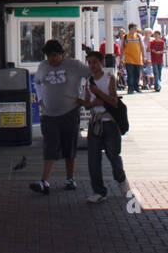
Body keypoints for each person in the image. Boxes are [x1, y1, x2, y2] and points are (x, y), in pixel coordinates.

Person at [29, 39, 89, 194]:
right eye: (49, 56)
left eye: (55, 55)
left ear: (62, 54)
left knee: (69, 147)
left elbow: (92, 76)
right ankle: (44, 181)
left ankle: (70, 178)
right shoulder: (43, 66)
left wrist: (84, 96)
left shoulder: (74, 65)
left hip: (70, 112)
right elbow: (36, 82)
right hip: (49, 115)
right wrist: (41, 99)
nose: (52, 59)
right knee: (50, 147)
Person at [82, 49, 131, 203]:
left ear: (102, 62)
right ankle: (99, 191)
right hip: (95, 121)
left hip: (109, 122)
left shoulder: (109, 78)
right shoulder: (88, 81)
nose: (92, 66)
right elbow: (87, 104)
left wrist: (98, 94)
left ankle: (122, 180)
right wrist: (91, 102)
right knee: (93, 159)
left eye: (95, 62)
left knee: (113, 155)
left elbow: (113, 101)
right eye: (89, 63)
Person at [121, 24, 144, 94]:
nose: (136, 29)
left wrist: (144, 56)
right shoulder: (125, 37)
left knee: (137, 74)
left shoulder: (138, 36)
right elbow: (122, 48)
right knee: (130, 74)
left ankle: (136, 87)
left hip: (137, 59)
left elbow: (142, 47)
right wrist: (121, 58)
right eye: (134, 28)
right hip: (129, 59)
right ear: (130, 29)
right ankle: (130, 89)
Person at [149, 26, 165, 92]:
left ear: (160, 36)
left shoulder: (162, 42)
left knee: (159, 73)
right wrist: (154, 51)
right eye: (155, 35)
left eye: (157, 35)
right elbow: (151, 49)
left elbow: (164, 49)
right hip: (154, 59)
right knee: (156, 73)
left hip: (160, 60)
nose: (156, 36)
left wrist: (160, 52)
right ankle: (157, 86)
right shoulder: (152, 42)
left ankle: (157, 83)